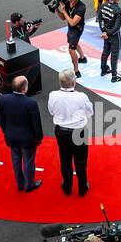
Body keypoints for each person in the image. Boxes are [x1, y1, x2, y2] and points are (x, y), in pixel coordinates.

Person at [48, 69, 93, 197]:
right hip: (79, 132)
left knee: (65, 159)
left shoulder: (53, 95)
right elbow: (90, 112)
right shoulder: (81, 96)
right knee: (81, 161)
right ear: (74, 82)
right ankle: (82, 187)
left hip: (61, 131)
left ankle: (67, 186)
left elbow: (51, 112)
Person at [0, 75, 43, 192]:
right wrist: (38, 138)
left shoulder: (3, 99)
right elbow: (36, 123)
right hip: (27, 139)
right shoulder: (31, 103)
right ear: (24, 88)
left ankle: (20, 184)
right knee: (28, 161)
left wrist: (6, 131)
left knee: (16, 160)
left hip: (11, 137)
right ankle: (29, 185)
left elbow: (1, 119)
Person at [58, 0, 88, 77]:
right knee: (74, 43)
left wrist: (63, 10)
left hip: (77, 28)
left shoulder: (81, 7)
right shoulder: (67, 3)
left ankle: (76, 71)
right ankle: (82, 58)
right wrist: (56, 9)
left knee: (71, 49)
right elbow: (63, 18)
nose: (70, 0)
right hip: (71, 28)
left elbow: (72, 23)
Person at [97, 0, 121, 82]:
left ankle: (103, 69)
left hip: (106, 33)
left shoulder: (103, 6)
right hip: (114, 35)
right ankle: (114, 76)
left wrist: (104, 32)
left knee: (105, 52)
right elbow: (117, 27)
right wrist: (108, 33)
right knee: (114, 55)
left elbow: (100, 21)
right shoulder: (117, 10)